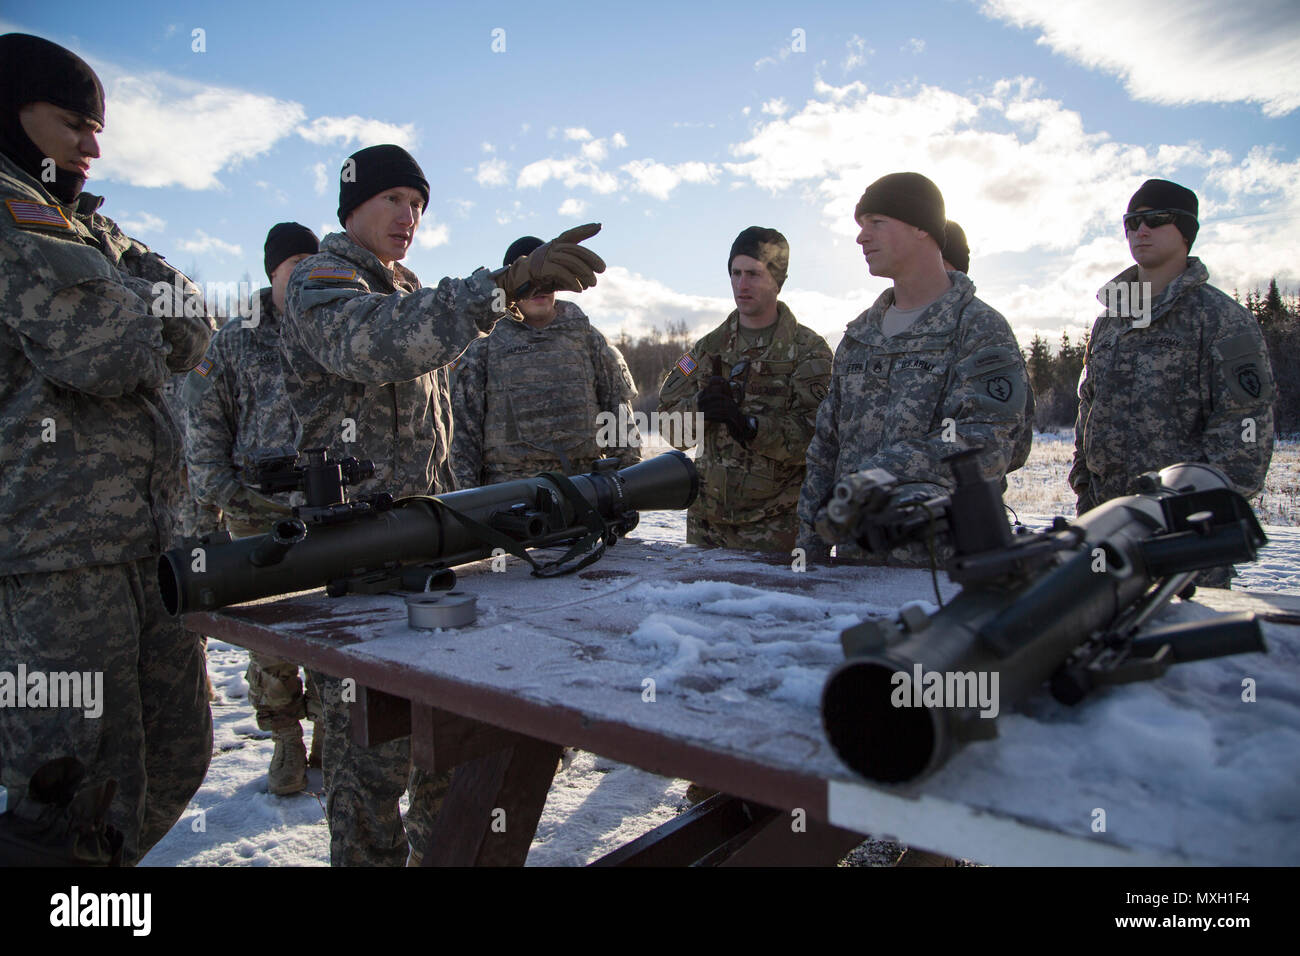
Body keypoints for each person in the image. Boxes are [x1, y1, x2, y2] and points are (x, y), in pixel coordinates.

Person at [279, 143, 605, 865]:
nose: (410, 217)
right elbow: (372, 344)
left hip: (429, 558)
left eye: (420, 205)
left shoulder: (408, 290)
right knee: (367, 777)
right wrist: (498, 288)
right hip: (357, 571)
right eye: (394, 199)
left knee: (446, 764)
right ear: (352, 206)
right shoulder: (319, 280)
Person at [0, 34, 213, 864]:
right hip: (54, 561)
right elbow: (102, 349)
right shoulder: (10, 209)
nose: (92, 147)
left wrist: (139, 309)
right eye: (71, 124)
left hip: (148, 546)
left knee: (176, 758)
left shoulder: (88, 228)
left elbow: (192, 325)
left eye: (98, 128)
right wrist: (143, 314)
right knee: (74, 800)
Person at [798, 172, 1031, 566]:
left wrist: (880, 472)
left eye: (876, 223)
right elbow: (825, 450)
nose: (861, 237)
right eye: (860, 225)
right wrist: (810, 546)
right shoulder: (859, 335)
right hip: (853, 570)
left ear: (922, 227)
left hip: (943, 573)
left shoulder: (977, 327)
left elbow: (987, 443)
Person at [1069, 179, 1274, 584]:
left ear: (1185, 232)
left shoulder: (1220, 318)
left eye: (1155, 220)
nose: (1139, 231)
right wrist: (1084, 484)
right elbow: (1088, 404)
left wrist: (1195, 509)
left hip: (1183, 539)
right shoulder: (1111, 319)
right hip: (1105, 528)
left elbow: (1245, 426)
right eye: (1132, 222)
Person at [184, 222, 323, 794]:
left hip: (326, 509)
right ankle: (286, 738)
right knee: (269, 641)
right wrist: (221, 494)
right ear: (272, 272)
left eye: (312, 264)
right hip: (256, 512)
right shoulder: (236, 336)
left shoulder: (330, 327)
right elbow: (205, 421)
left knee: (334, 628)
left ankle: (332, 738)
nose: (305, 275)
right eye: (294, 265)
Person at [657, 226, 832, 552]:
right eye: (735, 273)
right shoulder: (705, 349)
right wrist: (699, 410)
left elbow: (817, 437)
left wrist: (751, 427)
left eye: (753, 273)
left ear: (777, 280)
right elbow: (670, 426)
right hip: (707, 528)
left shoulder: (809, 351)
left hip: (778, 528)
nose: (742, 284)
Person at [451, 234, 640, 489]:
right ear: (510, 283)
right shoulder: (484, 344)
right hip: (508, 501)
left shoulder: (588, 338)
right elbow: (462, 438)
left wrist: (628, 491)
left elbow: (620, 424)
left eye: (545, 277)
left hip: (585, 493)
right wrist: (467, 508)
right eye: (526, 279)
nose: (537, 287)